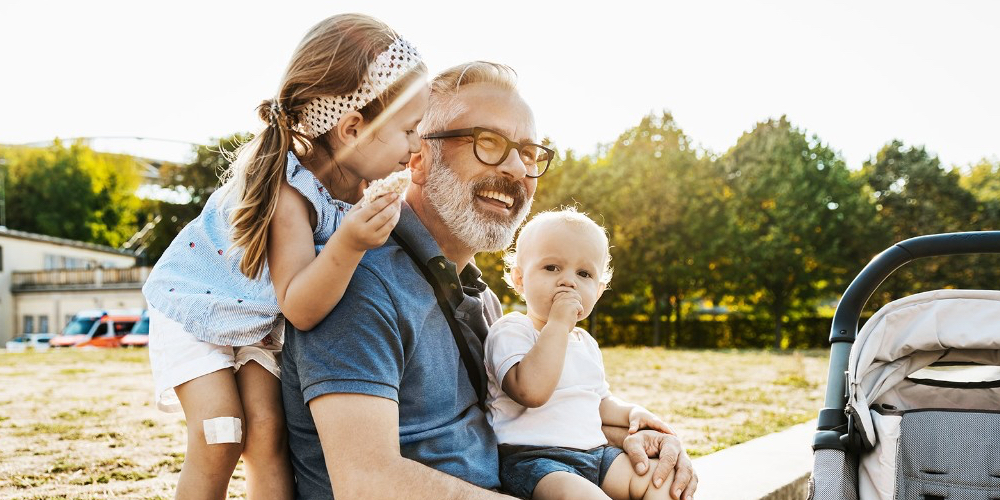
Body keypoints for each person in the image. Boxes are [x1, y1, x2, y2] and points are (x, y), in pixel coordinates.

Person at [281, 61, 698, 500]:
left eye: (530, 153)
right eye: (488, 142)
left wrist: (639, 435)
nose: (518, 168)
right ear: (417, 158)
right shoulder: (360, 282)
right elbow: (366, 480)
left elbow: (527, 427)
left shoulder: (482, 300)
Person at [141, 14, 427, 500]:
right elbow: (299, 303)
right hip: (196, 305)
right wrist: (350, 243)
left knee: (269, 432)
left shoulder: (355, 186)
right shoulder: (288, 194)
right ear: (352, 127)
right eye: (409, 130)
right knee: (221, 430)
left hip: (254, 318)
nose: (417, 146)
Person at [486, 208, 675, 500]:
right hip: (535, 461)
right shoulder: (512, 329)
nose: (568, 281)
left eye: (584, 273)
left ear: (597, 292)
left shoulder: (585, 342)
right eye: (551, 267)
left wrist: (631, 412)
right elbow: (531, 391)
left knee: (658, 482)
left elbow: (598, 401)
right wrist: (558, 325)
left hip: (596, 455)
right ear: (519, 279)